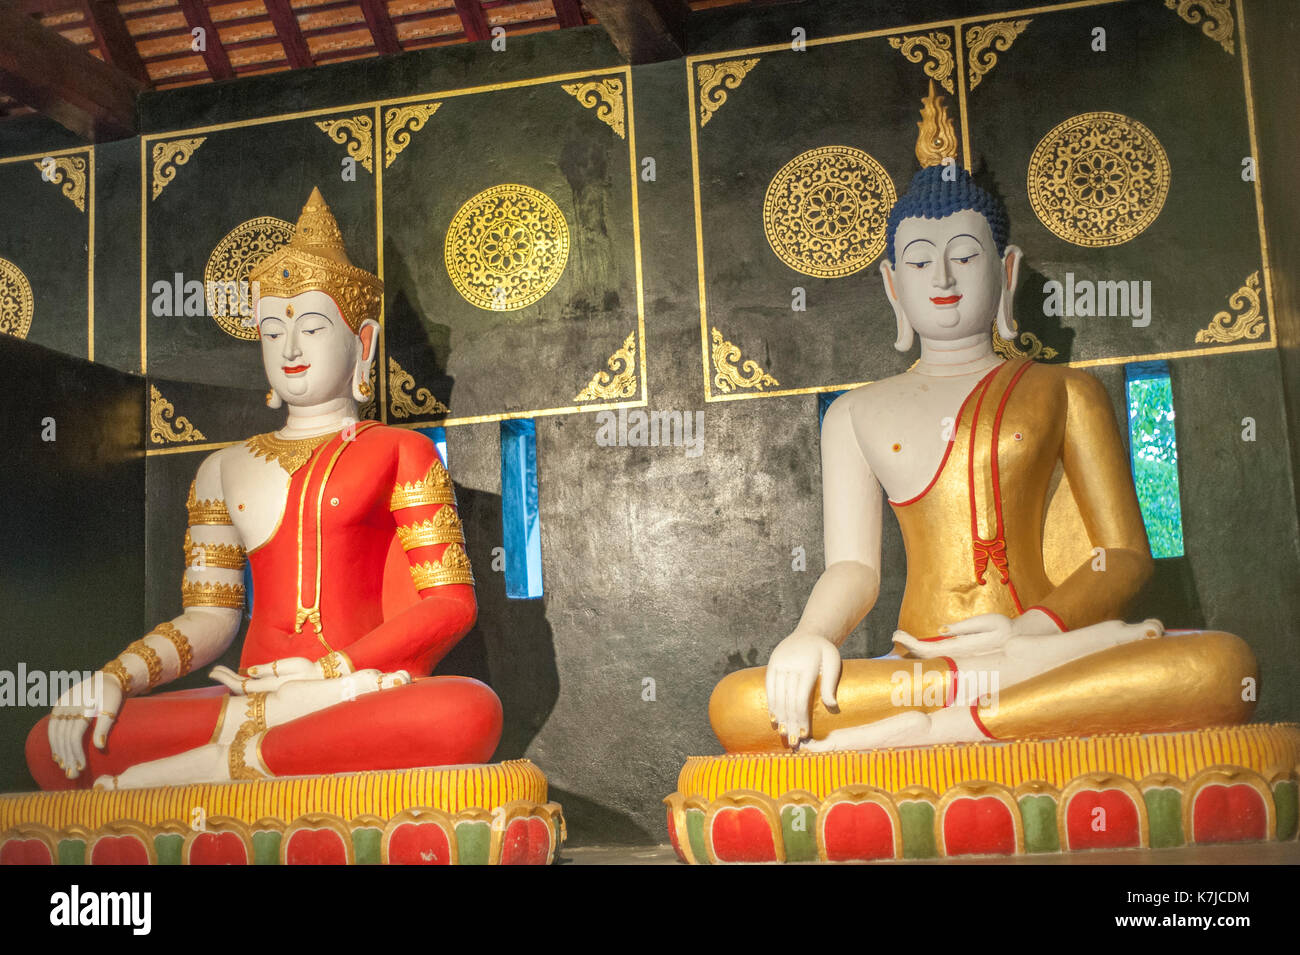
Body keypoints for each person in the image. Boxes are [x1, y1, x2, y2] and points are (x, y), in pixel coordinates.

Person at [710, 163, 1256, 753]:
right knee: (743, 704)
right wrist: (810, 635)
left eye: (966, 256)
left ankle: (942, 731)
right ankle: (981, 710)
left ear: (1007, 270)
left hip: (1045, 651)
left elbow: (1122, 556)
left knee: (1220, 667)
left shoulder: (1065, 391)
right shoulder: (853, 414)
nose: (942, 275)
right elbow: (855, 571)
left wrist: (1031, 630)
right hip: (923, 669)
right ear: (893, 285)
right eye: (919, 261)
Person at [28, 188, 501, 789]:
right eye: (273, 331)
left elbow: (450, 605)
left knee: (465, 711)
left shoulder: (398, 451)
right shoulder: (223, 469)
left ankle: (214, 769)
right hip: (248, 696)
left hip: (355, 694)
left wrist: (333, 672)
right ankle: (259, 754)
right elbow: (209, 618)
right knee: (55, 741)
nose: (291, 349)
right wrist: (118, 676)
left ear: (364, 345)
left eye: (310, 327)